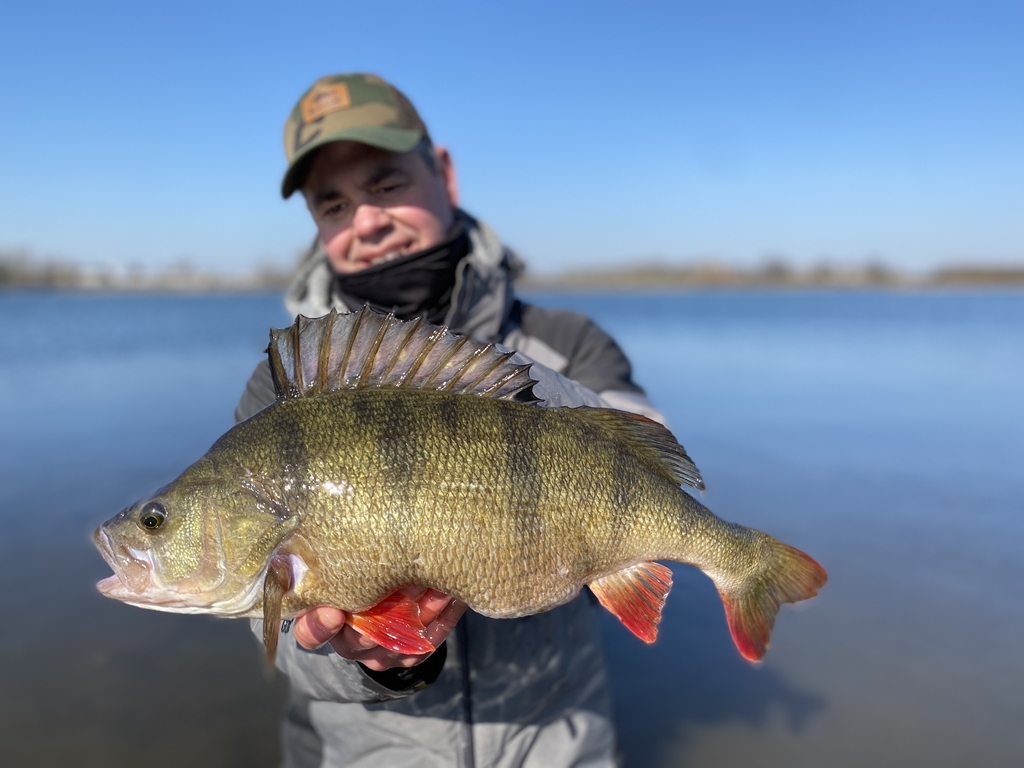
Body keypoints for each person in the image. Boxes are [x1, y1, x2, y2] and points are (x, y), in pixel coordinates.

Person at [234, 73, 666, 768]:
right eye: (334, 204)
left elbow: (655, 474)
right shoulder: (283, 394)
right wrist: (373, 663)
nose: (366, 223)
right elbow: (276, 637)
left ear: (445, 173)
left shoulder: (569, 343)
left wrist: (488, 379)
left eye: (385, 185)